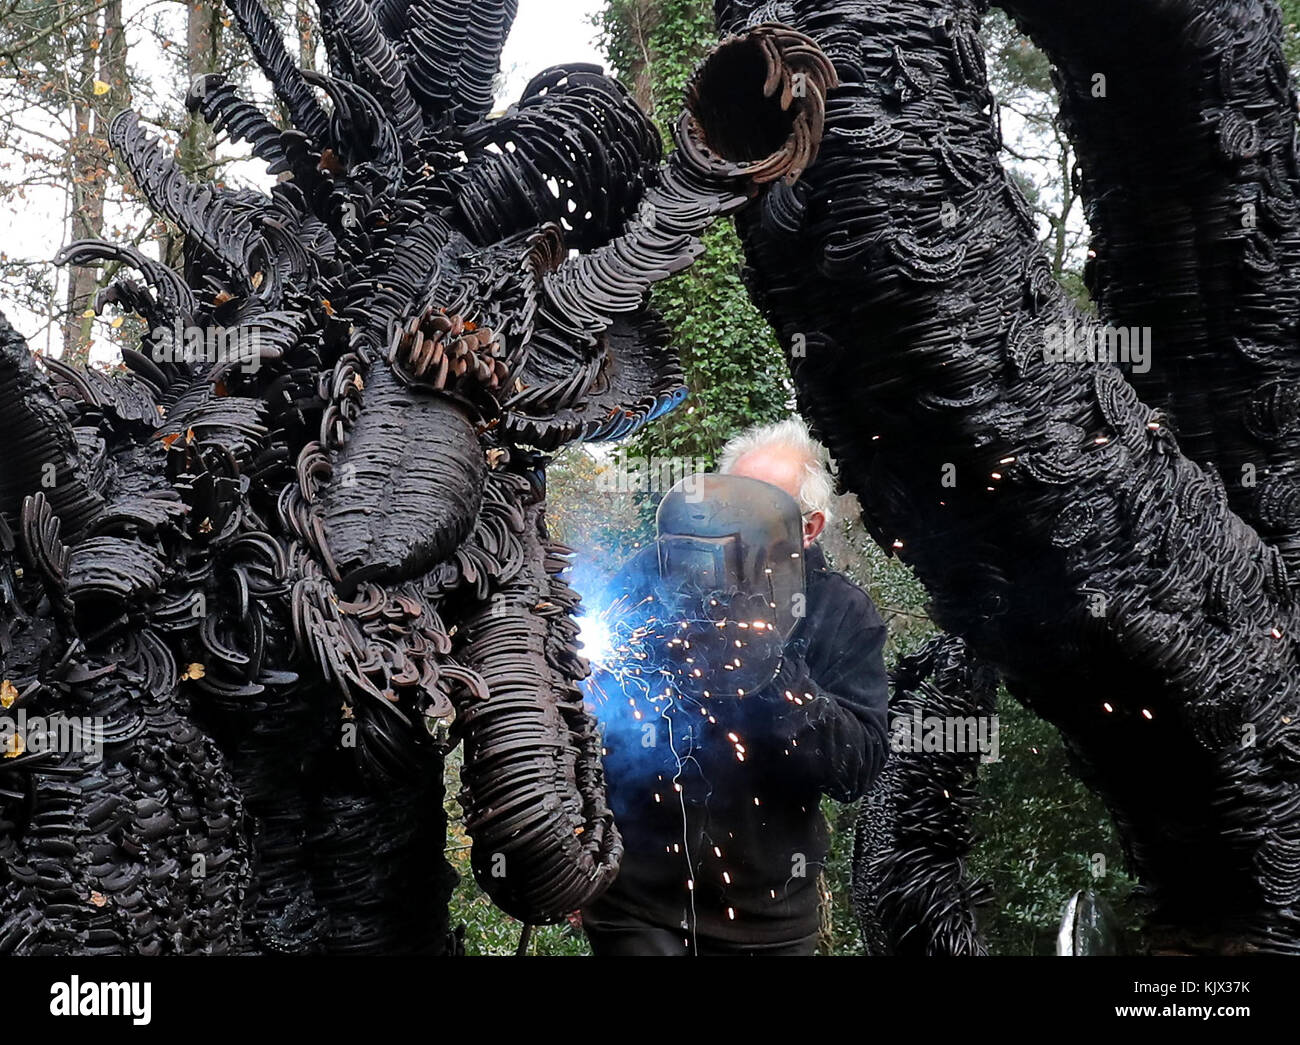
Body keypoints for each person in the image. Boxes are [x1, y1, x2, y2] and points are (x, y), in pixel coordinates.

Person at [580, 418, 891, 956]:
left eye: (758, 508)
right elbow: (584, 705)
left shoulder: (842, 613)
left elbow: (857, 767)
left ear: (809, 528)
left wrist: (775, 677)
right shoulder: (648, 576)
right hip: (635, 904)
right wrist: (571, 852)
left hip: (767, 919)